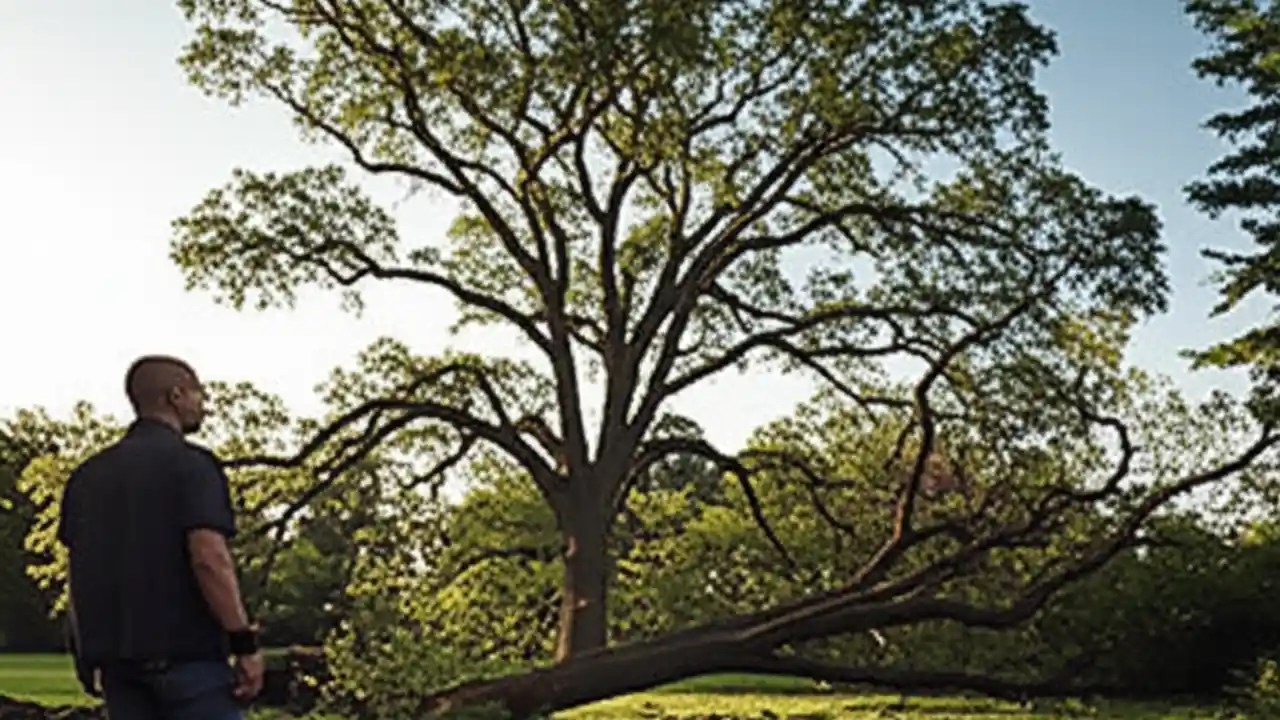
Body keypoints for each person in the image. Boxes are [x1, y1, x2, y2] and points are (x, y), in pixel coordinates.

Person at [57, 355, 264, 719]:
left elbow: (78, 574)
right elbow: (208, 558)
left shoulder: (87, 476)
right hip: (190, 663)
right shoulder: (193, 465)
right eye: (199, 395)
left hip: (120, 669)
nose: (204, 405)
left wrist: (84, 652)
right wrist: (243, 641)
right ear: (176, 395)